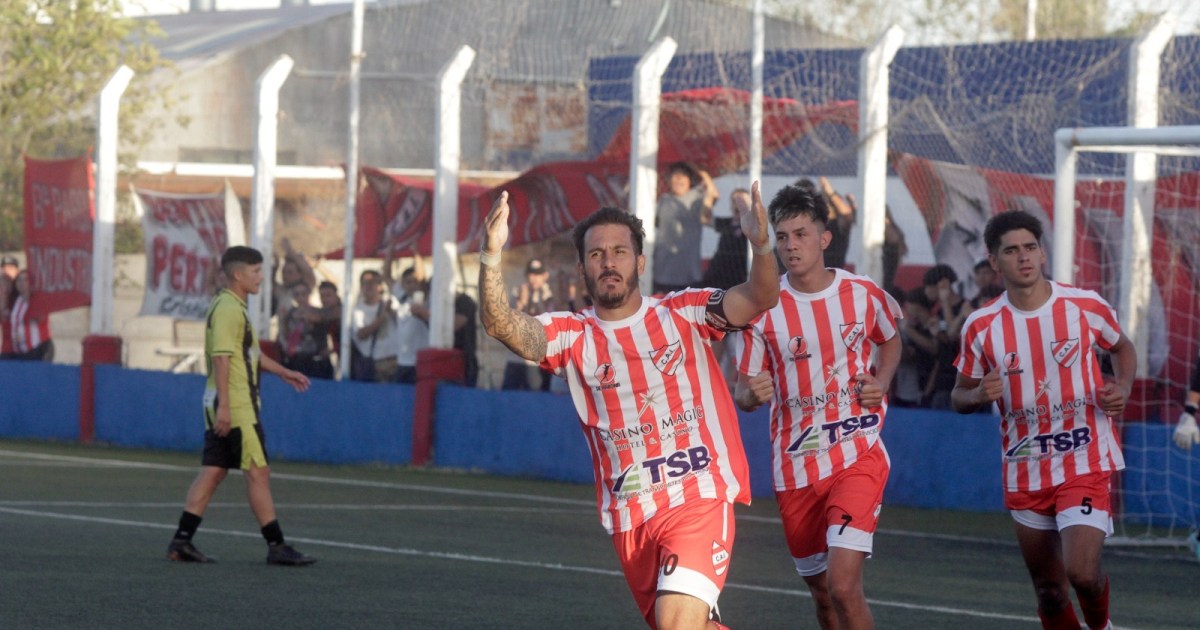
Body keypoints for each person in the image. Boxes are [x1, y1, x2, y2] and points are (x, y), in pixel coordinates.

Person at [478, 183, 778, 629]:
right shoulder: (571, 336)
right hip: (630, 515)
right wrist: (490, 255)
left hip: (697, 495)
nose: (608, 262)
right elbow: (500, 324)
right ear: (582, 268)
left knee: (677, 623)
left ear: (639, 262)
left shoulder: (684, 313)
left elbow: (760, 296)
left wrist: (762, 244)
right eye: (596, 254)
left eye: (619, 251)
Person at [951, 211, 1135, 630]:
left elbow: (1122, 347)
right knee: (1050, 594)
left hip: (1084, 458)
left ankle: (1102, 626)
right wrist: (977, 395)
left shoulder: (1084, 305)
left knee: (1082, 572)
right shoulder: (981, 326)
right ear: (994, 262)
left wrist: (1122, 386)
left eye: (1030, 247)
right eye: (1011, 251)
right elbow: (958, 395)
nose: (1024, 257)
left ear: (1042, 253)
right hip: (1026, 468)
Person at [734, 179, 902, 630]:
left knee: (843, 586)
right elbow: (742, 390)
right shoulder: (762, 307)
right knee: (824, 596)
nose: (791, 246)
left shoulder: (862, 293)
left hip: (857, 452)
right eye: (782, 237)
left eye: (801, 234)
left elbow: (890, 340)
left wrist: (881, 381)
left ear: (824, 239)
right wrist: (751, 394)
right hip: (795, 467)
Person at [166, 246, 315, 566]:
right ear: (237, 275)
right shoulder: (229, 309)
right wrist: (226, 407)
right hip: (236, 404)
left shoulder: (231, 304)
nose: (261, 277)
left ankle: (181, 541)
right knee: (258, 472)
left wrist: (284, 372)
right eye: (256, 271)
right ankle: (276, 546)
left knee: (214, 471)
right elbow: (221, 357)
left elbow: (250, 355)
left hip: (224, 401)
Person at [652, 161, 718, 294]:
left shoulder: (697, 197)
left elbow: (713, 195)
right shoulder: (663, 200)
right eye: (674, 176)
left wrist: (704, 175)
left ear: (690, 181)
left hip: (689, 271)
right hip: (663, 269)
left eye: (682, 176)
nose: (678, 179)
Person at [502, 258, 557, 391]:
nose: (534, 278)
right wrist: (521, 303)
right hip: (516, 357)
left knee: (538, 394)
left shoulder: (550, 294)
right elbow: (511, 323)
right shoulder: (518, 291)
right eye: (531, 274)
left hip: (539, 359)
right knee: (508, 395)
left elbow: (549, 323)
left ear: (545, 275)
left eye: (538, 274)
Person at [922, 264, 970, 409]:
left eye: (928, 286)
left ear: (942, 284)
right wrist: (936, 334)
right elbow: (942, 346)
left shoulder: (966, 307)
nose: (926, 291)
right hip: (942, 380)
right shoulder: (938, 312)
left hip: (963, 380)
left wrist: (945, 301)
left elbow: (953, 336)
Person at [349, 270, 404, 383]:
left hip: (396, 359)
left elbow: (403, 324)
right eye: (364, 283)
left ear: (380, 286)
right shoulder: (357, 309)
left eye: (371, 283)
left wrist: (391, 312)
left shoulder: (391, 302)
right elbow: (361, 334)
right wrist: (381, 318)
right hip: (376, 364)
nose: (368, 287)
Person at [276, 282, 333, 380]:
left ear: (309, 294)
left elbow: (321, 321)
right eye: (297, 294)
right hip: (296, 360)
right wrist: (283, 320)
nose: (300, 297)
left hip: (316, 362)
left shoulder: (318, 312)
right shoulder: (290, 314)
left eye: (303, 294)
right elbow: (286, 336)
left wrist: (304, 316)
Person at [6, 270, 54, 361]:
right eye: (19, 280)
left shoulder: (38, 299)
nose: (22, 283)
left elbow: (41, 318)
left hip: (38, 348)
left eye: (25, 280)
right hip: (21, 351)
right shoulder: (17, 300)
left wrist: (31, 303)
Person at [817, 176, 855, 269]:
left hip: (834, 273)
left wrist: (831, 193)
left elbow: (846, 215)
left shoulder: (838, 226)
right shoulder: (816, 225)